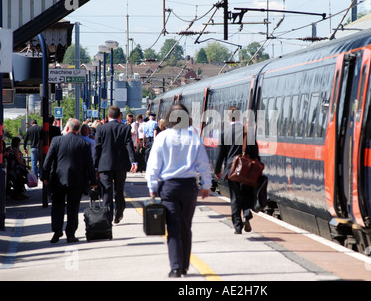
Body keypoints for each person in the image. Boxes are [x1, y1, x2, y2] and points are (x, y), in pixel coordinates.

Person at [145, 104, 211, 278]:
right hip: (189, 187)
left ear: (169, 118)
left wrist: (152, 187)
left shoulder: (162, 138)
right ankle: (184, 266)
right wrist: (206, 185)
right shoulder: (194, 137)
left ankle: (175, 267)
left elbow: (153, 166)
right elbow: (203, 164)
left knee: (173, 226)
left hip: (169, 187)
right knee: (186, 226)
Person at [42, 118, 97, 243]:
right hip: (76, 181)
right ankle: (70, 234)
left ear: (66, 128)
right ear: (77, 131)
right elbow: (90, 165)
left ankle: (57, 230)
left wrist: (45, 177)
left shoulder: (56, 141)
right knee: (73, 207)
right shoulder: (84, 144)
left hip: (58, 179)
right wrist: (93, 182)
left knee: (57, 205)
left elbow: (48, 160)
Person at [214, 106, 260, 234]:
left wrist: (217, 170)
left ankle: (237, 227)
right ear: (240, 116)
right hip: (246, 169)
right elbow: (255, 152)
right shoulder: (247, 132)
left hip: (231, 170)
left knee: (234, 197)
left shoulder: (224, 133)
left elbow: (220, 155)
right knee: (245, 193)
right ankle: (246, 213)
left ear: (228, 117)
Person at [94, 106, 138, 224]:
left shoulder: (101, 128)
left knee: (107, 191)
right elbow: (129, 146)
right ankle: (119, 213)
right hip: (120, 165)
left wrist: (94, 165)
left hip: (104, 165)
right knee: (119, 190)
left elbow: (97, 148)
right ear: (120, 116)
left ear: (108, 116)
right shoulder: (125, 128)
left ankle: (107, 217)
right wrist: (133, 161)